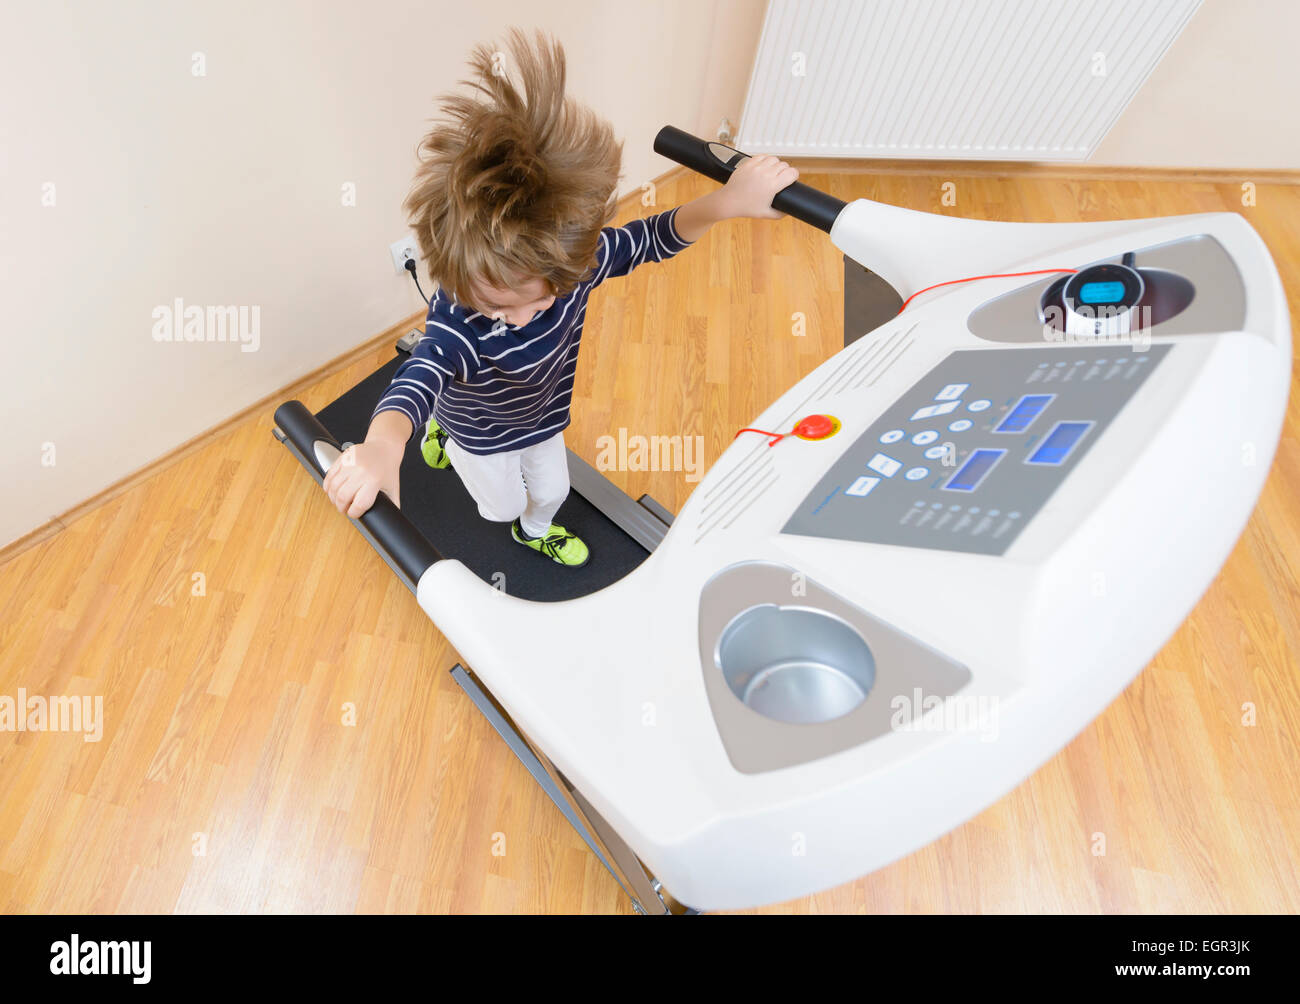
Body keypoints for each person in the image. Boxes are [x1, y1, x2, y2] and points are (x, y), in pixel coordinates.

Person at [323, 28, 797, 566]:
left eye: (540, 303)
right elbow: (418, 376)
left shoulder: (575, 267)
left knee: (550, 494)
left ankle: (536, 530)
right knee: (498, 508)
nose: (521, 319)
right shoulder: (456, 321)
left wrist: (730, 201)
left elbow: (654, 237)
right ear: (459, 279)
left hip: (543, 416)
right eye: (499, 308)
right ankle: (446, 433)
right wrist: (385, 446)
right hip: (481, 432)